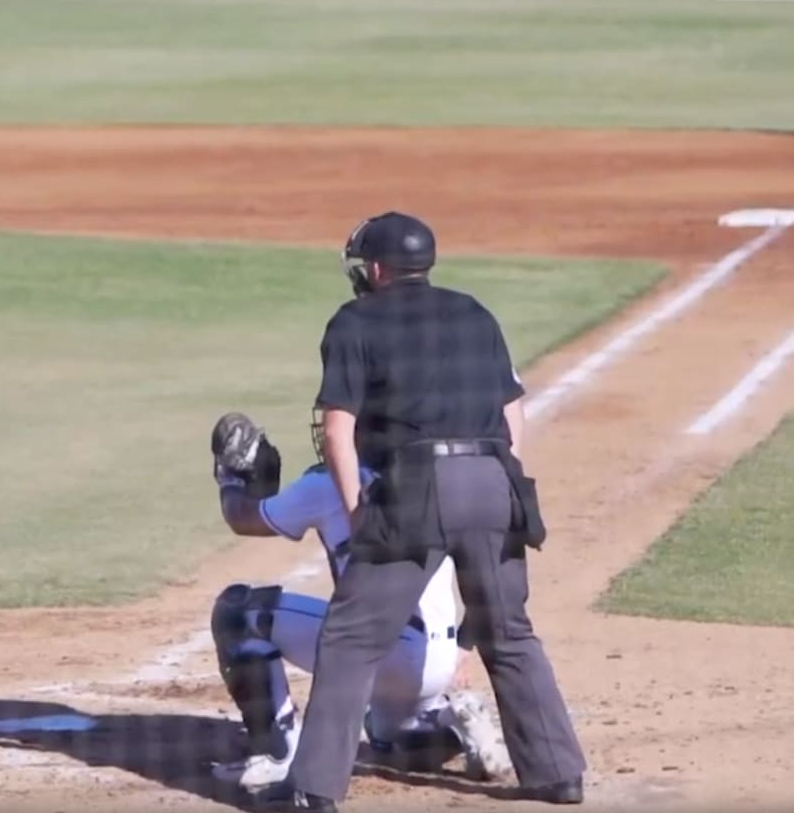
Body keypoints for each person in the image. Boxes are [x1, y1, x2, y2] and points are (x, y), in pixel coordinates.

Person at [278, 213, 587, 811]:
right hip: (494, 478)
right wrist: (507, 479)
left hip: (417, 486)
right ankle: (559, 775)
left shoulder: (354, 320)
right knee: (509, 632)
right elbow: (512, 411)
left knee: (349, 639)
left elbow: (338, 430)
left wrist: (359, 511)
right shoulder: (475, 312)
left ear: (374, 269)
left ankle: (314, 791)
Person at [205, 412, 511, 793]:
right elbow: (485, 571)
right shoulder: (437, 473)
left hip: (379, 652)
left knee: (237, 613)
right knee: (386, 736)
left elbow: (244, 519)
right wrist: (464, 643)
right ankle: (452, 717)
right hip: (438, 660)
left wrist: (231, 479)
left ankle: (277, 754)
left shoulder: (327, 482)